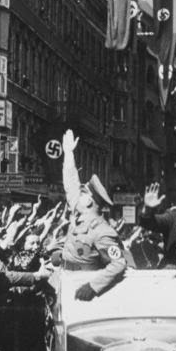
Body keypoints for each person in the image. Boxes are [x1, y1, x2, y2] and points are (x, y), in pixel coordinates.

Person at [60, 129, 127, 301]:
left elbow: (119, 263)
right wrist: (68, 154)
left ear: (89, 202)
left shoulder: (103, 231)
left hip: (82, 284)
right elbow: (71, 182)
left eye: (83, 193)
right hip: (63, 277)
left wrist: (93, 286)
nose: (77, 194)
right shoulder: (78, 212)